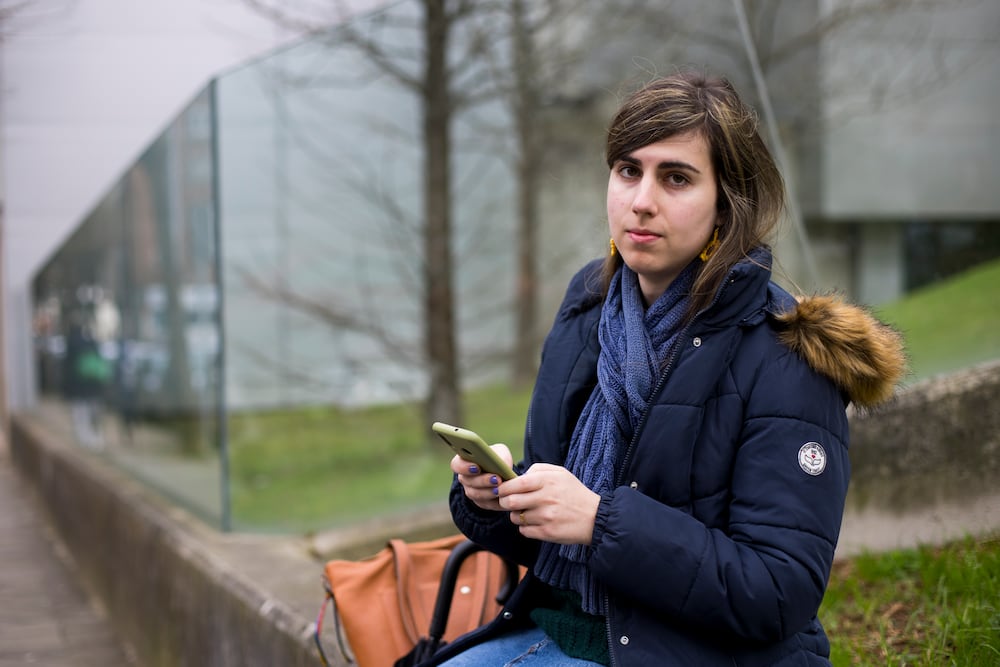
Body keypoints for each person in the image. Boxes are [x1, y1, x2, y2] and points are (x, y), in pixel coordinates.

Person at [430, 71, 907, 666]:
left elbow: (778, 592)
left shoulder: (785, 355)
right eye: (628, 170)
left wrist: (600, 522)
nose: (642, 201)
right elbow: (557, 539)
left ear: (727, 204)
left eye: (676, 178)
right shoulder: (589, 308)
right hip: (555, 628)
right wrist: (497, 497)